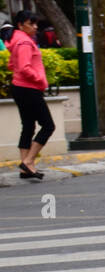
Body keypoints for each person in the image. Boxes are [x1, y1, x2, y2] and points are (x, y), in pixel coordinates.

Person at [8, 11, 53, 181]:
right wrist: (40, 80)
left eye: (35, 24)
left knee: (28, 125)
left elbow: (11, 64)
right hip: (29, 88)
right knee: (48, 126)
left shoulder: (16, 40)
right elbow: (25, 67)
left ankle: (25, 167)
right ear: (20, 25)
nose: (35, 27)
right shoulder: (25, 42)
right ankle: (28, 161)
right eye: (31, 24)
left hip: (20, 87)